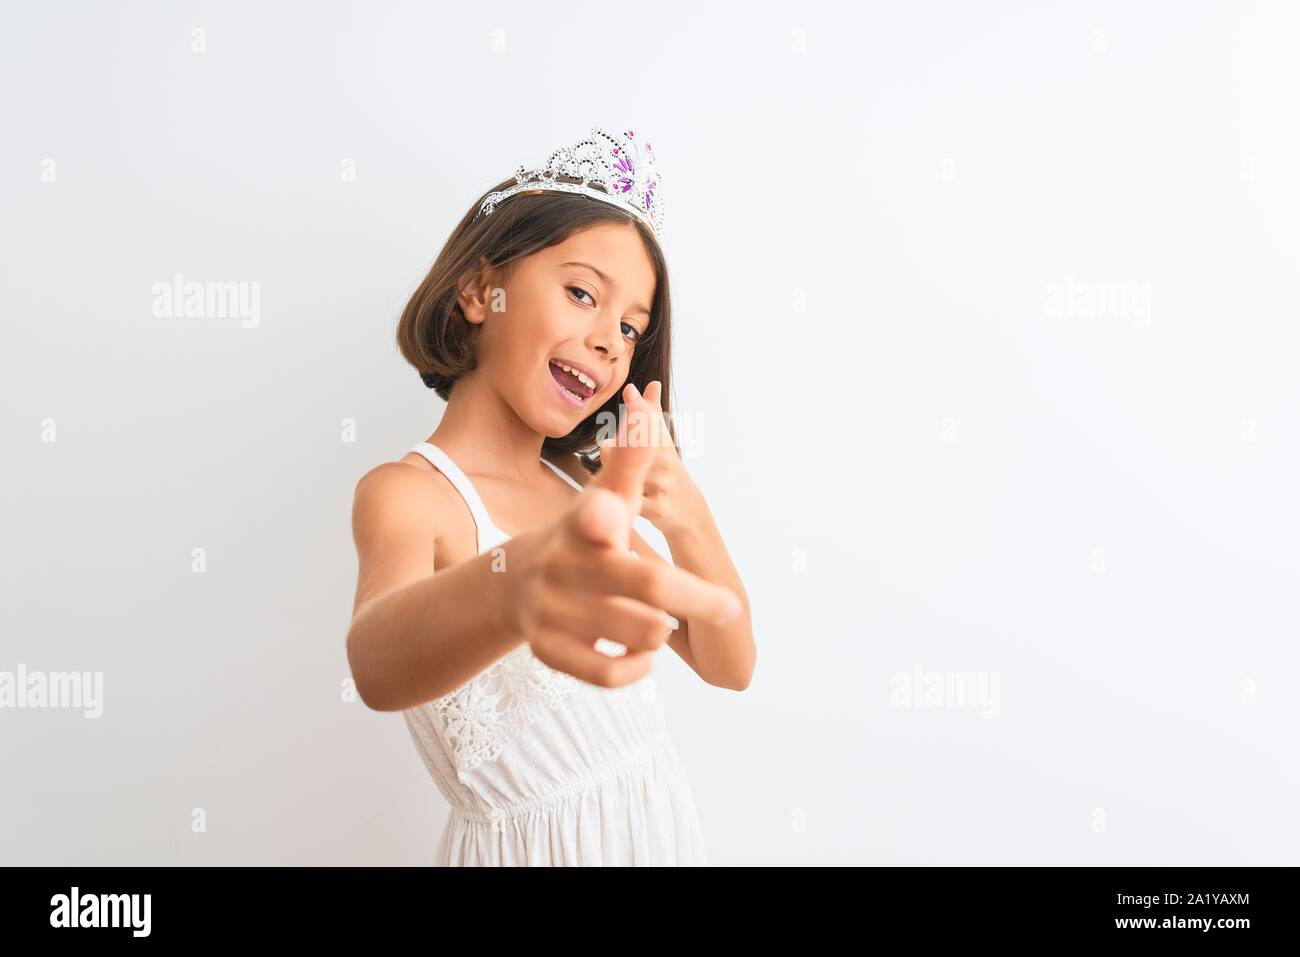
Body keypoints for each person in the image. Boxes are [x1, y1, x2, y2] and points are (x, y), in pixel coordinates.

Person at [346, 126, 754, 865]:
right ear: (479, 289)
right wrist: (515, 586)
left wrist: (687, 514)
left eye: (631, 327)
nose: (609, 340)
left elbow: (731, 664)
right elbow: (375, 662)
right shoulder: (411, 496)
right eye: (580, 293)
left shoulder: (583, 493)